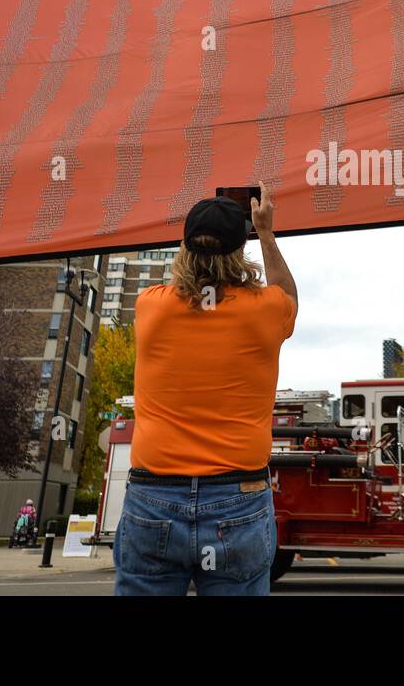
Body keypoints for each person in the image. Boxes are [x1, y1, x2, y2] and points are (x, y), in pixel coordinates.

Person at [114, 180, 297, 596]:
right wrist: (266, 231)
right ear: (240, 249)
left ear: (184, 248)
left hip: (153, 498)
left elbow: (191, 285)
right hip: (239, 497)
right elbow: (287, 292)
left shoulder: (150, 307)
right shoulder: (266, 310)